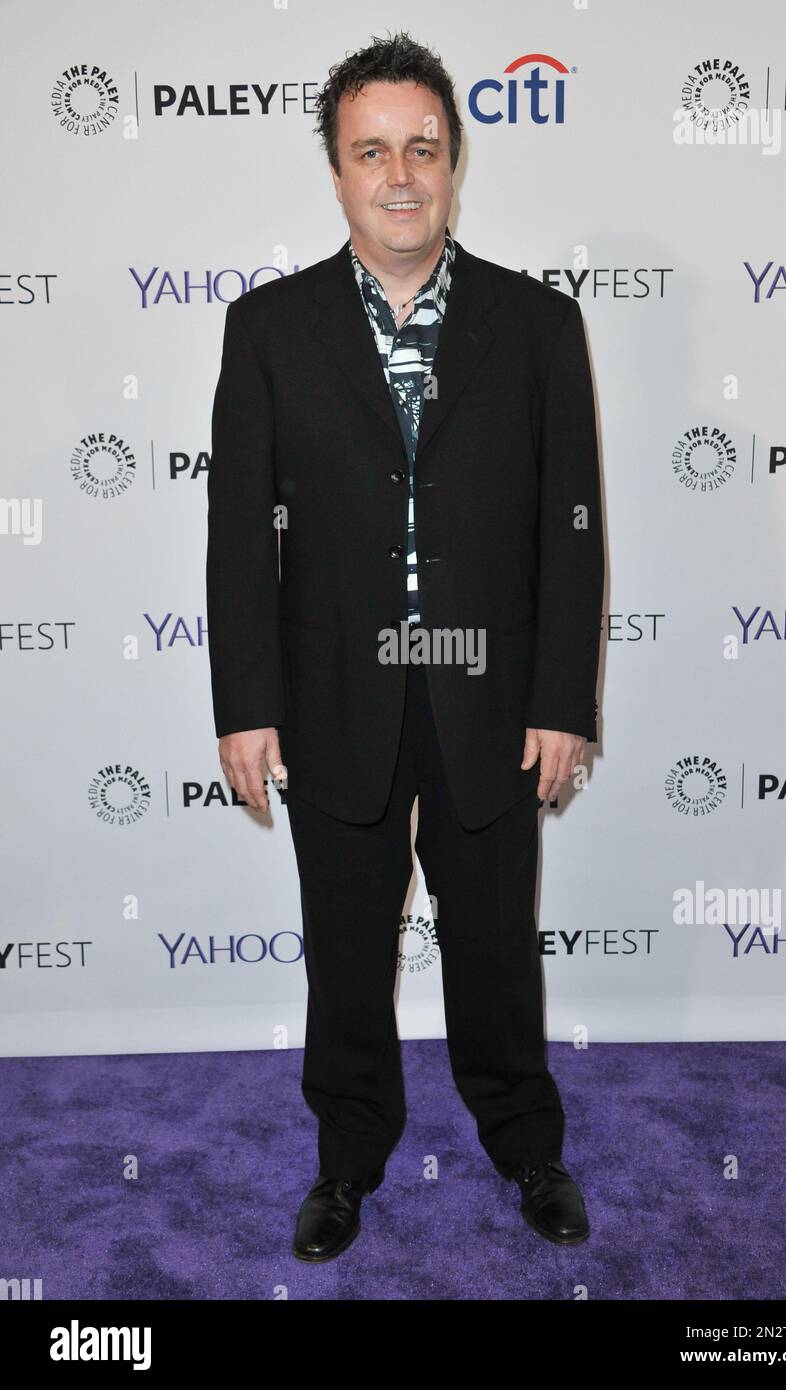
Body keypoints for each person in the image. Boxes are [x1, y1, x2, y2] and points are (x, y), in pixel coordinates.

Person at [205, 31, 604, 1263]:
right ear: (335, 172)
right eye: (371, 150)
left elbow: (569, 526)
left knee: (496, 943)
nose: (399, 173)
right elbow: (236, 538)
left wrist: (560, 701)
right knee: (344, 951)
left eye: (421, 148)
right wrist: (245, 704)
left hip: (490, 692)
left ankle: (525, 1144)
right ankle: (346, 1160)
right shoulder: (267, 328)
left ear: (454, 162)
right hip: (335, 697)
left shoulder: (538, 324)